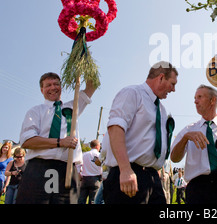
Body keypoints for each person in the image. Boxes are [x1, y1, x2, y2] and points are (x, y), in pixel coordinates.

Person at [103, 61, 178, 204]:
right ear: (161, 77)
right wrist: (125, 169)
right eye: (172, 84)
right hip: (129, 174)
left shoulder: (161, 109)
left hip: (152, 178)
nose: (173, 89)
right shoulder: (132, 93)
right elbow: (116, 128)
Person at [16, 72, 96, 204]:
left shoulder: (73, 106)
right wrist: (60, 142)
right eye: (48, 85)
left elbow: (92, 85)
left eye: (56, 84)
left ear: (61, 87)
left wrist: (84, 60)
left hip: (68, 170)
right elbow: (27, 141)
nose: (53, 88)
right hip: (39, 169)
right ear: (42, 90)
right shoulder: (35, 111)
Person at [78, 139, 103, 204]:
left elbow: (78, 165)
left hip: (84, 179)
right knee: (93, 201)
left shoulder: (84, 155)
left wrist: (79, 174)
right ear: (97, 146)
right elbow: (103, 167)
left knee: (81, 200)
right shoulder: (99, 155)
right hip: (95, 179)